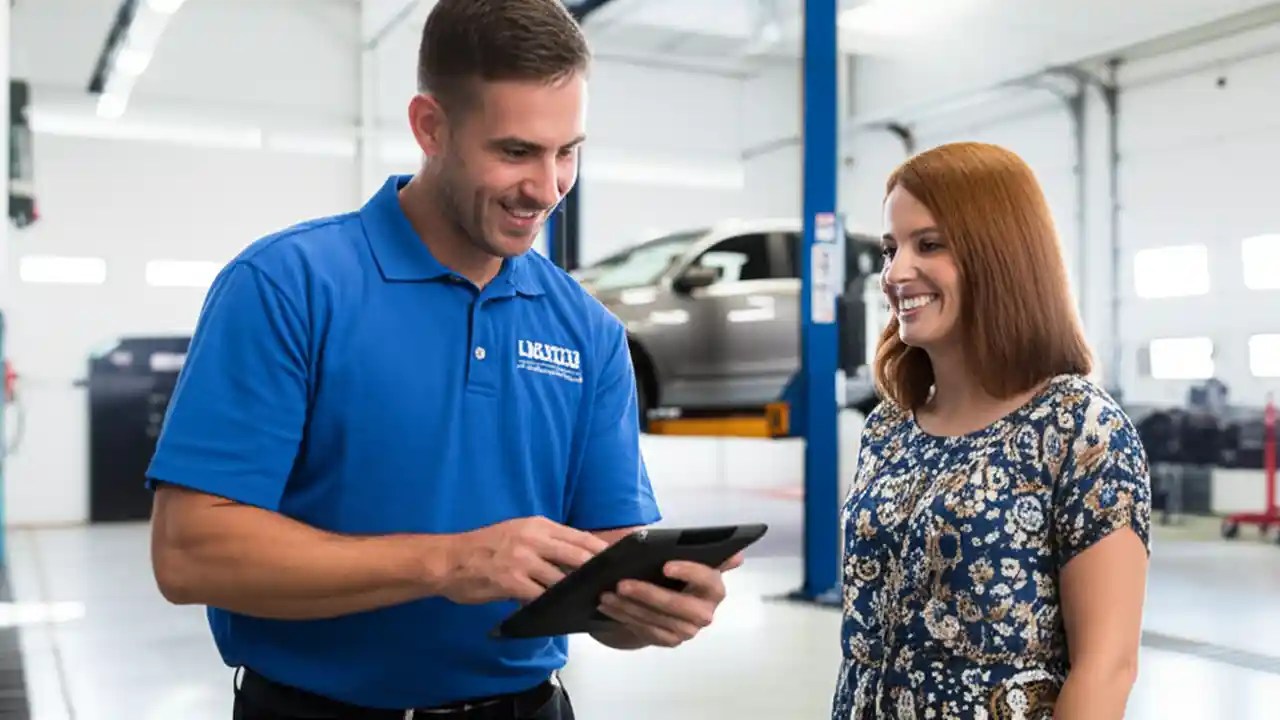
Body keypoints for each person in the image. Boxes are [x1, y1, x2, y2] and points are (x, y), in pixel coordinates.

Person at [145, 1, 741, 718]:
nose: (547, 188)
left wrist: (648, 612)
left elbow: (598, 578)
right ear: (430, 126)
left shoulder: (588, 331)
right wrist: (446, 560)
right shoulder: (288, 285)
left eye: (568, 152)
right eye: (515, 151)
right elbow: (188, 555)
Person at [831, 142, 1151, 720]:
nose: (895, 273)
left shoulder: (1080, 429)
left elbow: (1106, 668)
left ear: (1000, 254)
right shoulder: (888, 429)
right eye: (889, 249)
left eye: (929, 245)